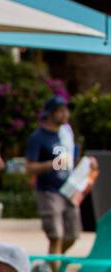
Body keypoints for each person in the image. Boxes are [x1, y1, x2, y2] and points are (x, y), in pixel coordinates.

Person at [27, 96, 82, 262]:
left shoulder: (66, 135)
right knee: (56, 236)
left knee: (73, 234)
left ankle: (49, 263)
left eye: (67, 110)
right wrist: (53, 164)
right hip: (49, 192)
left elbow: (73, 162)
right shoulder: (38, 137)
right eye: (61, 110)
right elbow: (29, 168)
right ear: (51, 113)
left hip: (69, 189)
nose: (66, 114)